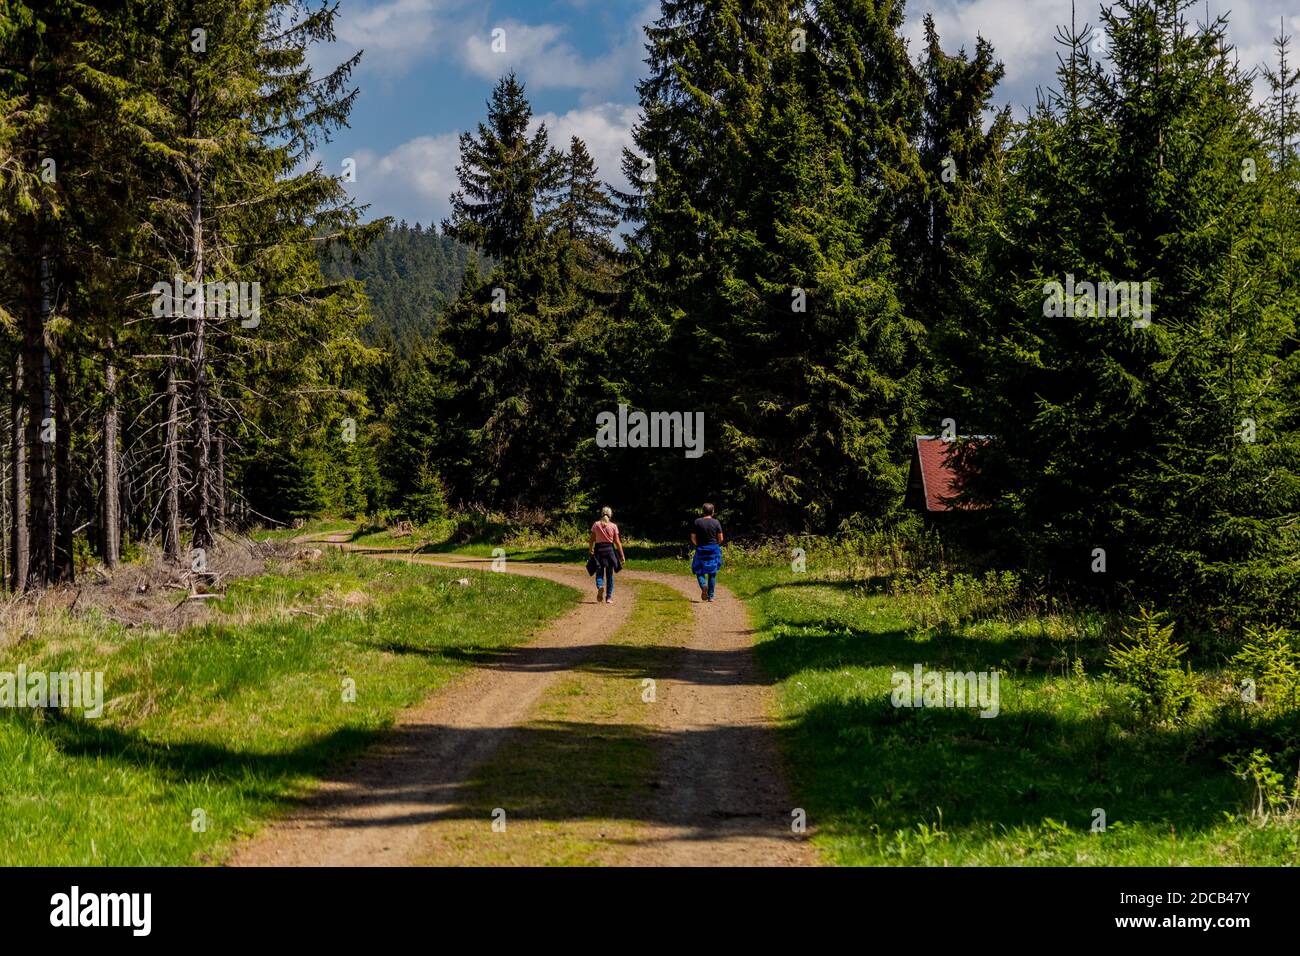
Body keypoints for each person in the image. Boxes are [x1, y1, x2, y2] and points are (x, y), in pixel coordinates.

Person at [588, 506, 626, 604]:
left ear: (602, 514)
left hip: (599, 551)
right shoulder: (613, 526)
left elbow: (591, 539)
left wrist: (590, 549)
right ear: (610, 515)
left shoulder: (596, 525)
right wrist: (622, 555)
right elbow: (617, 542)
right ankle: (609, 597)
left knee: (599, 573)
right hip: (610, 552)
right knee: (610, 576)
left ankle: (600, 586)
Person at [690, 502, 724, 602]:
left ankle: (703, 586)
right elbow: (721, 538)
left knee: (698, 569)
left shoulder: (697, 522)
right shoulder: (716, 522)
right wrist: (716, 545)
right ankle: (711, 596)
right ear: (712, 512)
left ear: (703, 511)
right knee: (712, 572)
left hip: (701, 549)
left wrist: (697, 545)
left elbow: (693, 537)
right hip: (713, 549)